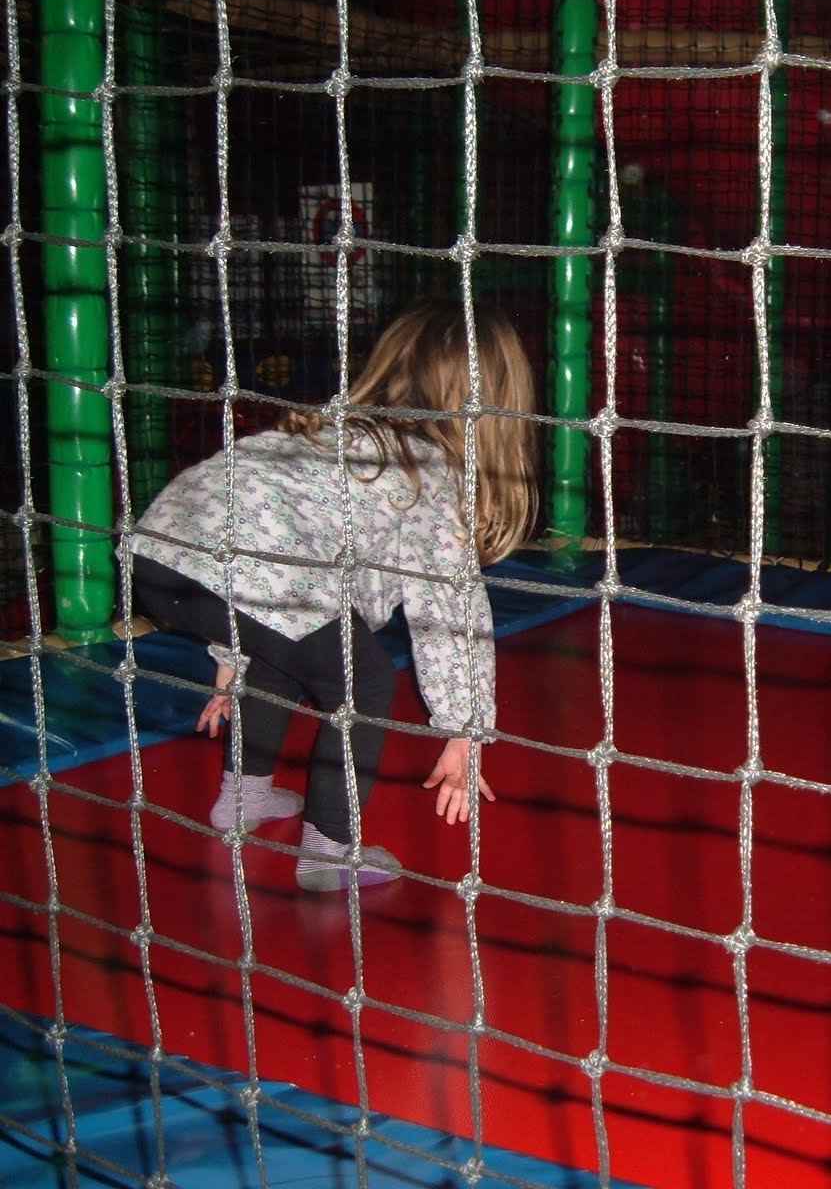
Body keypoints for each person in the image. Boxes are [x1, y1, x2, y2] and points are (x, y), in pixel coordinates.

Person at [125, 301, 538, 891]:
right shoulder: (429, 471)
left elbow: (243, 524)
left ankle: (242, 799)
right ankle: (330, 846)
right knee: (364, 678)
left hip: (159, 551)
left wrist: (228, 661)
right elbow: (448, 608)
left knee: (285, 650)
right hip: (242, 568)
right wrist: (464, 729)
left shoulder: (334, 429)